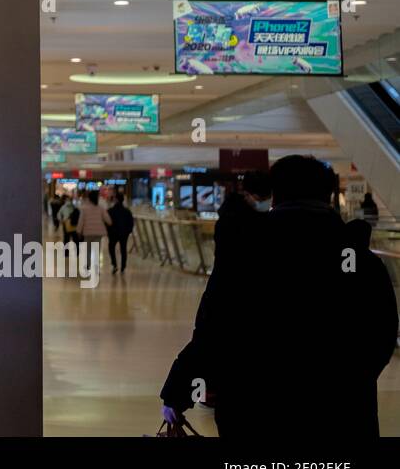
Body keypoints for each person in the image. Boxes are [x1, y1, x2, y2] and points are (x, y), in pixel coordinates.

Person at [160, 155, 397, 438]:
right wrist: (350, 380)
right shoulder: (359, 258)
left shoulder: (246, 253)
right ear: (329, 194)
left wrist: (178, 392)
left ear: (275, 194)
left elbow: (214, 329)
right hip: (341, 412)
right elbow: (382, 334)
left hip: (255, 409)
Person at [75, 187, 109, 272]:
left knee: (88, 249)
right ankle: (96, 266)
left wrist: (79, 231)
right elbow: (107, 219)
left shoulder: (84, 208)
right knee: (97, 249)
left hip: (88, 232)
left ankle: (88, 265)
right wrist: (110, 223)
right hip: (98, 232)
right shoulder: (100, 208)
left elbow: (81, 221)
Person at [105, 192, 134, 274]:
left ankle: (114, 264)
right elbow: (131, 223)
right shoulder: (127, 211)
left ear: (116, 200)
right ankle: (123, 267)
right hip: (124, 233)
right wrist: (128, 231)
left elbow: (106, 222)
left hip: (113, 233)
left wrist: (108, 231)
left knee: (111, 248)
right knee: (123, 249)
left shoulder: (110, 211)